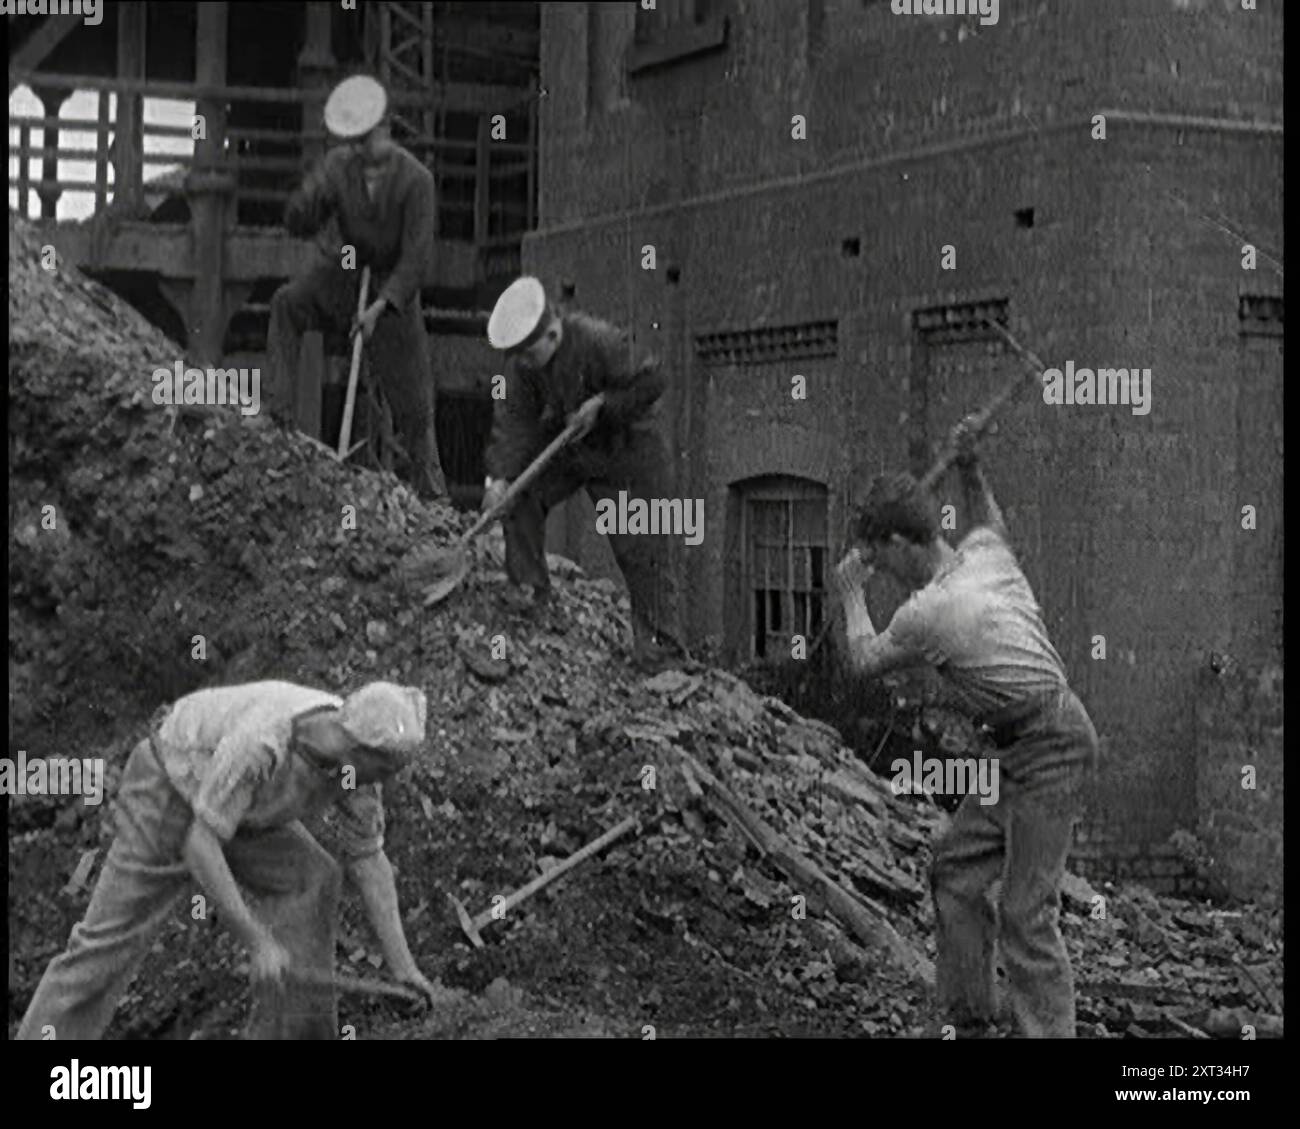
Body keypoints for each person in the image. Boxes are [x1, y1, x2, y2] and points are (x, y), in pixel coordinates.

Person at [834, 419, 1098, 1038]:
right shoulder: (985, 555)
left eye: (876, 555)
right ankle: (970, 1019)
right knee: (954, 870)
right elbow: (993, 523)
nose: (876, 567)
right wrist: (971, 467)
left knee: (1027, 914)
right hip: (1019, 746)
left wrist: (849, 594)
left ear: (902, 543)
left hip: (1050, 748)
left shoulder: (931, 612)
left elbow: (863, 661)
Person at [17, 680, 437, 1040]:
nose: (391, 779)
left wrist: (404, 968)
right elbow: (199, 845)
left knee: (313, 877)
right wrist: (257, 941)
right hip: (169, 793)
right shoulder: (262, 743)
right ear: (359, 747)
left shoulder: (358, 769)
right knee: (105, 948)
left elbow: (368, 858)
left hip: (234, 812)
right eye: (387, 768)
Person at [483, 275, 685, 672]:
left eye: (527, 353)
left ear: (552, 334)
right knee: (520, 496)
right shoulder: (525, 367)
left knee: (642, 548)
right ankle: (528, 588)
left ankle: (662, 652)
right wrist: (500, 479)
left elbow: (654, 380)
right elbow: (515, 424)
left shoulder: (600, 340)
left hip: (628, 448)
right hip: (573, 445)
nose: (522, 363)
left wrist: (605, 404)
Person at [266, 74, 447, 500]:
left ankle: (434, 495)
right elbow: (301, 218)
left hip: (393, 292)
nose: (364, 152)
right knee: (287, 303)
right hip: (346, 273)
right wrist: (307, 203)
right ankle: (274, 418)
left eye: (371, 140)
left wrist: (380, 308)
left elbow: (416, 258)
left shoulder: (417, 181)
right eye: (356, 143)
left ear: (387, 130)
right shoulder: (339, 167)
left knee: (416, 406)